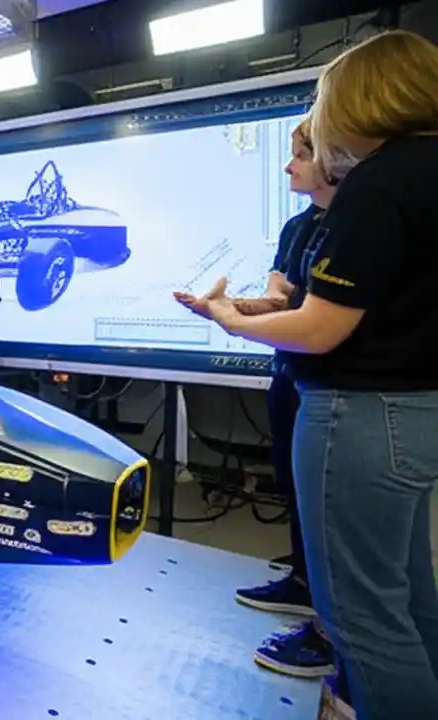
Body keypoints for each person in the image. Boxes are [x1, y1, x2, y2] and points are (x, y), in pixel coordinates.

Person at [174, 29, 438, 720]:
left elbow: (321, 326)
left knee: (359, 616)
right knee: (406, 595)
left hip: (358, 411)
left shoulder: (380, 182)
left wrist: (233, 322)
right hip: (414, 406)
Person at [227, 119, 336, 679]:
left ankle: (330, 628)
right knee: (295, 486)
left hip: (336, 388)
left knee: (330, 506)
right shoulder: (298, 227)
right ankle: (302, 580)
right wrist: (226, 308)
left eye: (299, 155)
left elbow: (319, 317)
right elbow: (281, 297)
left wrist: (234, 319)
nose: (288, 165)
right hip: (290, 376)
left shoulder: (351, 222)